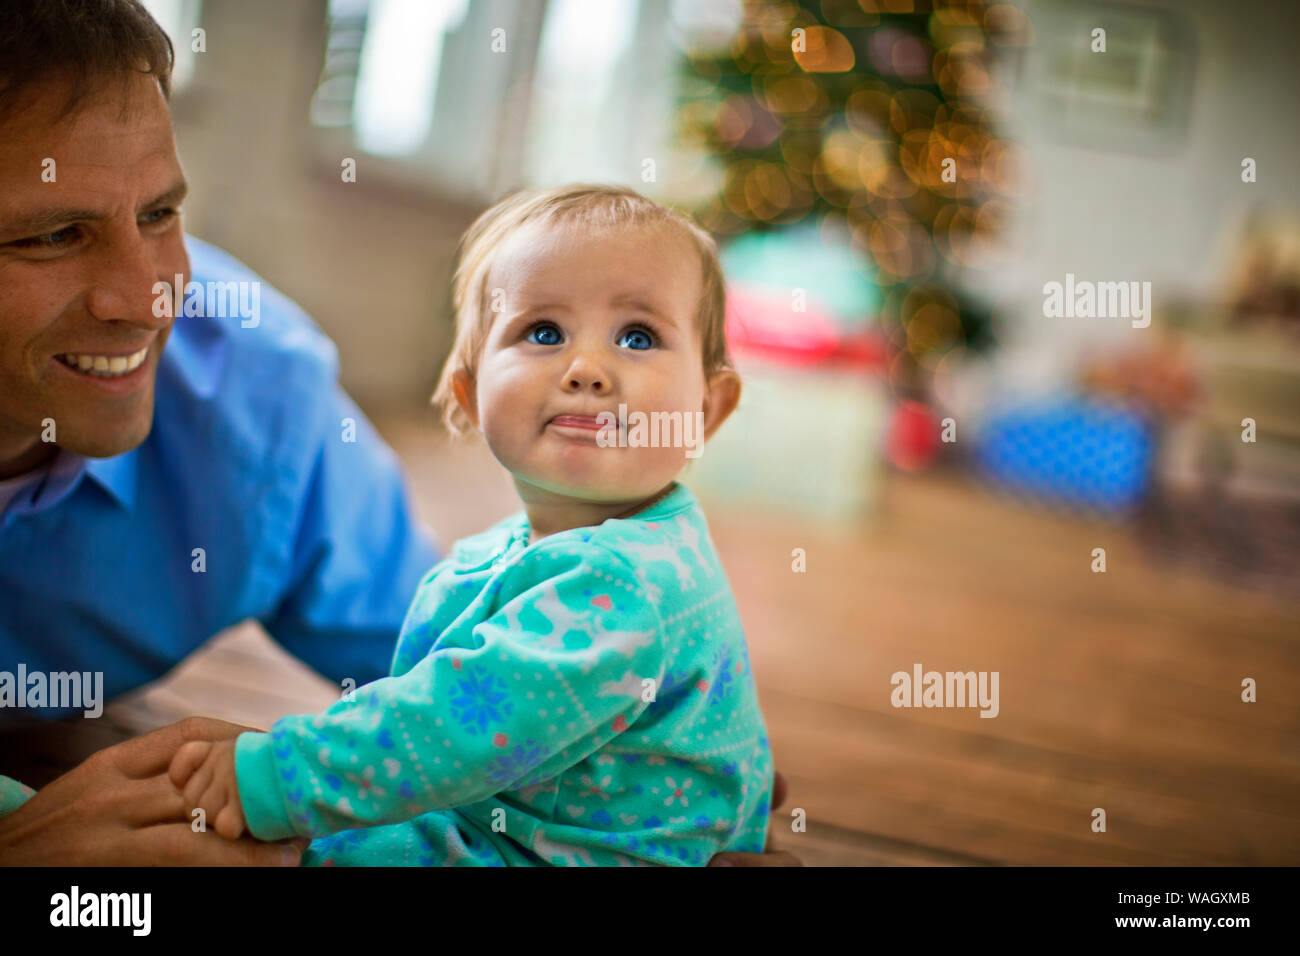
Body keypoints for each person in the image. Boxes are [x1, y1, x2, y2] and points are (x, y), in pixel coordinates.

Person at [0, 0, 798, 866]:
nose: (149, 297)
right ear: (465, 389)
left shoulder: (259, 408)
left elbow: (454, 703)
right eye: (53, 235)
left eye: (159, 215)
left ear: (713, 407)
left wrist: (655, 760)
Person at [170, 186, 772, 865]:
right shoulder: (582, 545)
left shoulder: (623, 581)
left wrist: (283, 776)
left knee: (256, 842)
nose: (586, 370)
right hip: (511, 823)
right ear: (470, 391)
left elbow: (454, 725)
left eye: (638, 336)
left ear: (709, 408)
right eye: (543, 332)